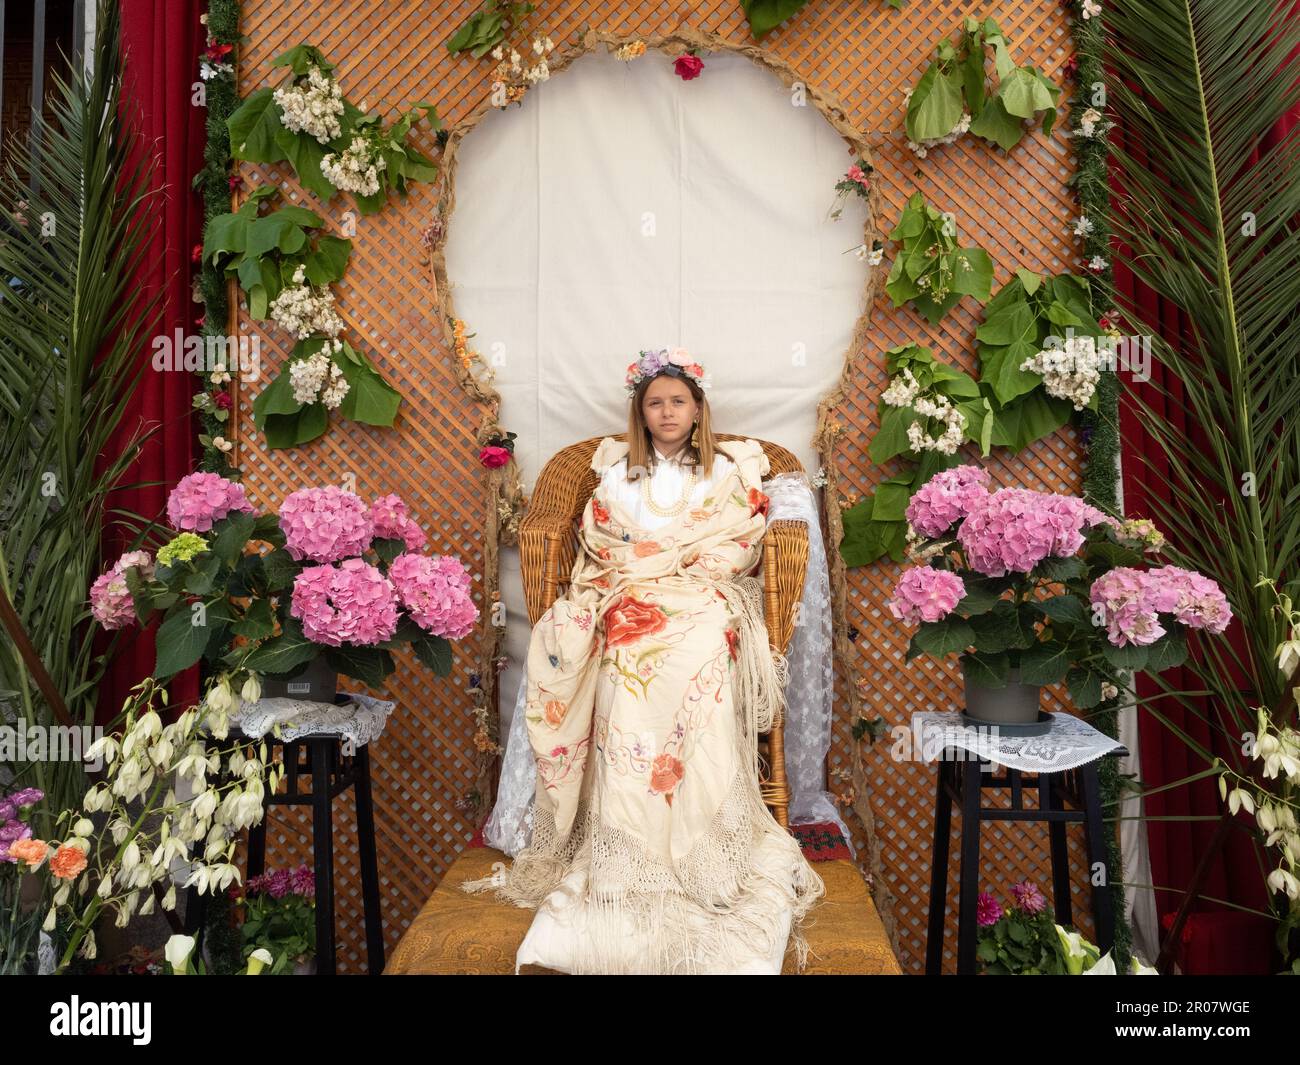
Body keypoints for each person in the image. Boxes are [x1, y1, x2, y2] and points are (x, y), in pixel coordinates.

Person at [463, 348, 826, 974]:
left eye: (677, 402)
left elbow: (740, 537)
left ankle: (704, 848)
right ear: (641, 410)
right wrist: (644, 567)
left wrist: (686, 564)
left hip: (705, 594)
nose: (666, 412)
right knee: (626, 651)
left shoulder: (731, 468)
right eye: (655, 402)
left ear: (697, 408)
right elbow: (602, 538)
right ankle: (625, 848)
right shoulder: (612, 472)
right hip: (629, 591)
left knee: (703, 646)